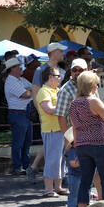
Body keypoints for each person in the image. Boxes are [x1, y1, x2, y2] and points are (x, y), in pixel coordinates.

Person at [67, 70, 104, 207]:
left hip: (82, 145)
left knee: (85, 181)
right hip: (100, 144)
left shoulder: (74, 104)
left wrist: (75, 147)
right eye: (96, 84)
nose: (97, 86)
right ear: (91, 85)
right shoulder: (93, 101)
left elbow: (75, 127)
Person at [35, 65, 66, 197]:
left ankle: (58, 187)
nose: (60, 78)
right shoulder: (44, 91)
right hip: (52, 130)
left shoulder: (57, 90)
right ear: (50, 77)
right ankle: (48, 189)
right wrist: (65, 107)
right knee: (52, 159)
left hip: (61, 129)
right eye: (58, 76)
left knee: (61, 159)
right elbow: (48, 109)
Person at [3, 56, 36, 175]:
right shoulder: (11, 81)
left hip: (23, 113)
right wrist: (31, 91)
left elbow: (31, 89)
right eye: (18, 66)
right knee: (19, 142)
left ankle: (24, 165)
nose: (21, 68)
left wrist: (30, 91)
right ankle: (18, 166)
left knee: (26, 142)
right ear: (13, 69)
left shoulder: (19, 80)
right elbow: (26, 94)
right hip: (18, 113)